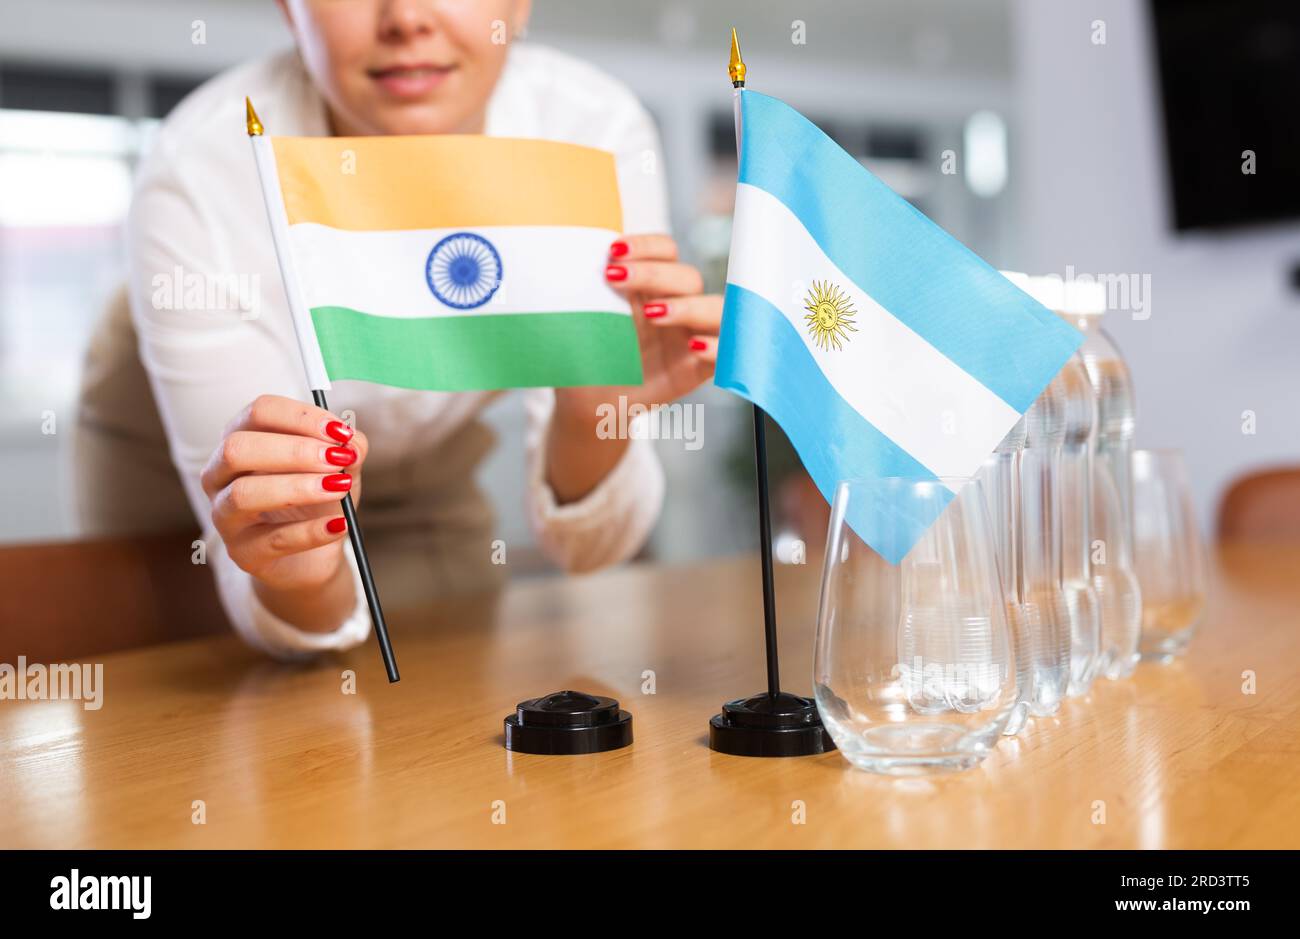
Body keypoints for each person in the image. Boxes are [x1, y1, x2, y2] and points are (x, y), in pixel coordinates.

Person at [78, 0, 722, 658]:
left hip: (430, 449)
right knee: (188, 677)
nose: (407, 17)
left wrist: (589, 420)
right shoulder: (203, 169)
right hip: (184, 444)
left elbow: (589, 551)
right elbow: (276, 596)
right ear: (287, 10)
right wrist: (300, 573)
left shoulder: (590, 129)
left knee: (444, 668)